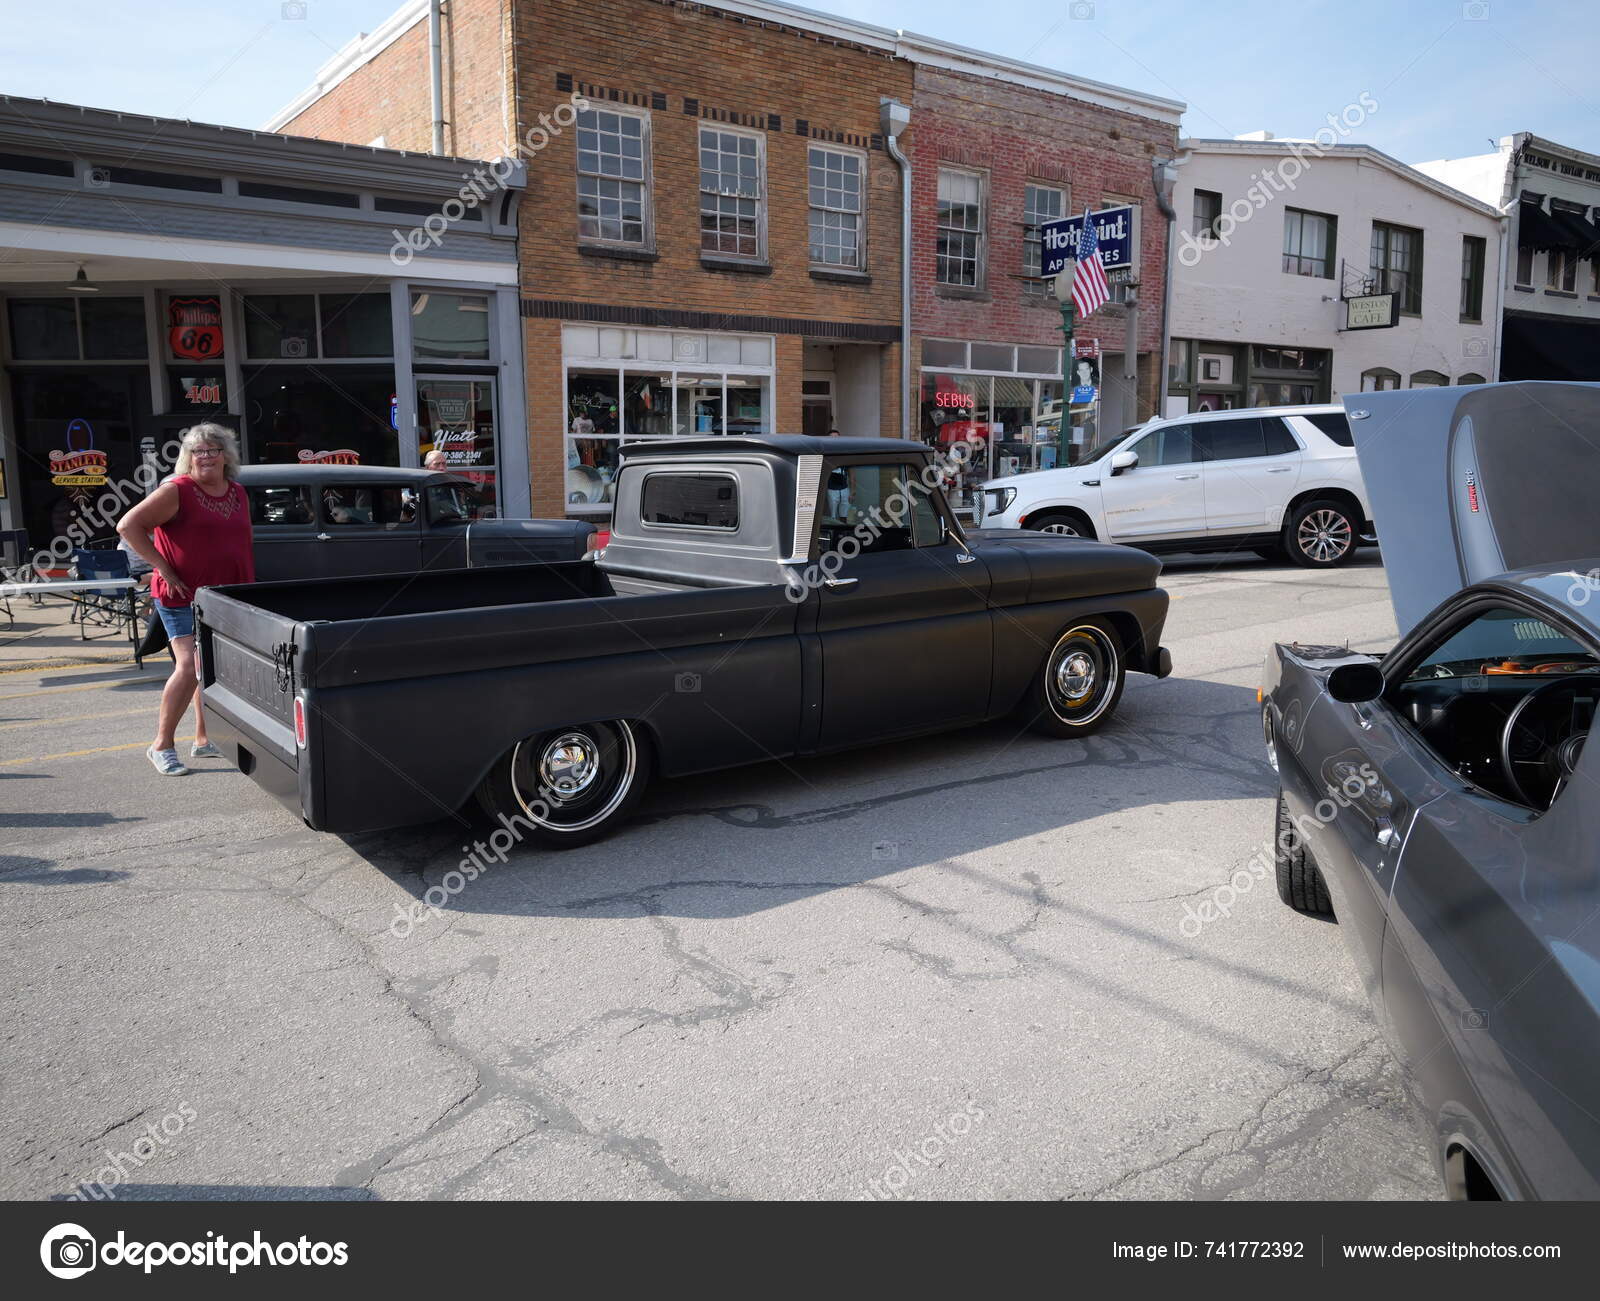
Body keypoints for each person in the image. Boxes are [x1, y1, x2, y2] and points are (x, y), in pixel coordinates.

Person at [117, 423, 254, 776]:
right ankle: (161, 744)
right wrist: (162, 567)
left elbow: (242, 542)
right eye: (197, 451)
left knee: (206, 665)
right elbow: (128, 526)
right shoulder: (177, 490)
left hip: (226, 595)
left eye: (212, 449)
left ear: (226, 455)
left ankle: (204, 739)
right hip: (181, 594)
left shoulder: (238, 491)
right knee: (190, 666)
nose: (205, 456)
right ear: (187, 458)